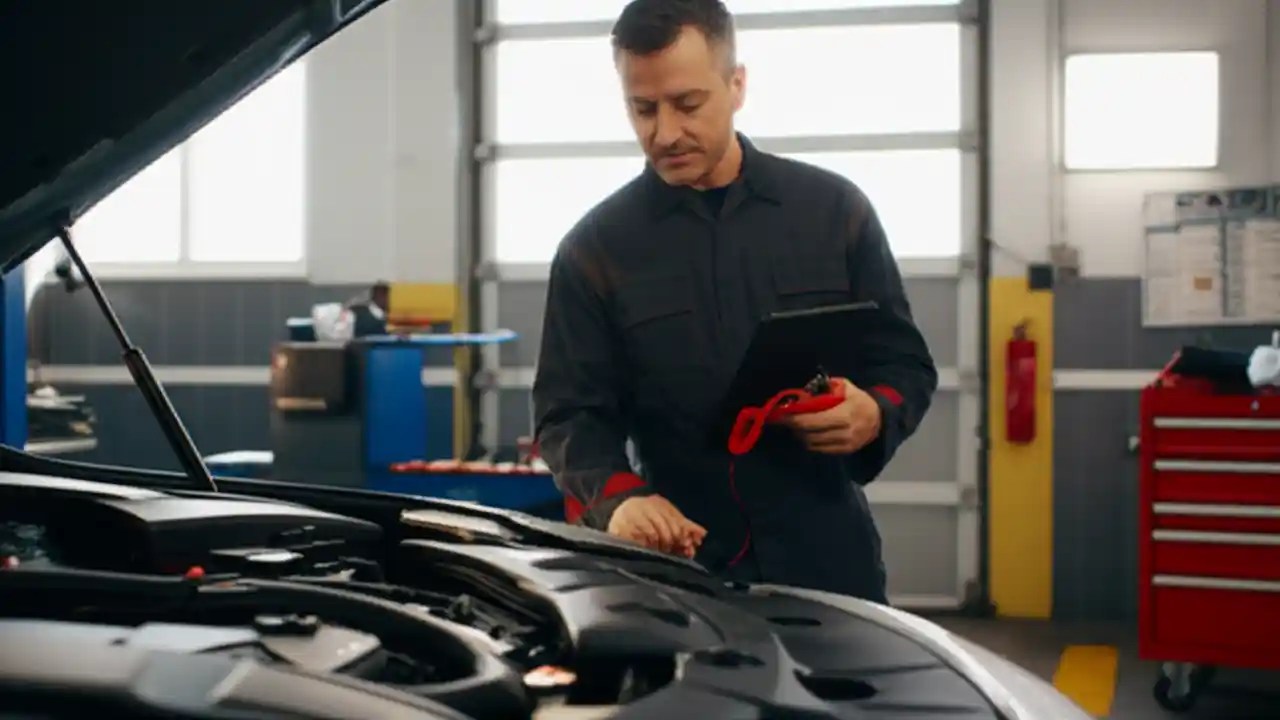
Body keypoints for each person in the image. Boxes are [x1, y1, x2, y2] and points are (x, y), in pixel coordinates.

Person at [531, 0, 937, 602]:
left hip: (828, 565)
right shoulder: (595, 252)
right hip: (681, 570)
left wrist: (874, 412)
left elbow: (904, 365)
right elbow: (567, 415)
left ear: (737, 84)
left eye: (687, 104)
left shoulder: (833, 213)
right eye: (643, 109)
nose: (664, 133)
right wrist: (620, 497)